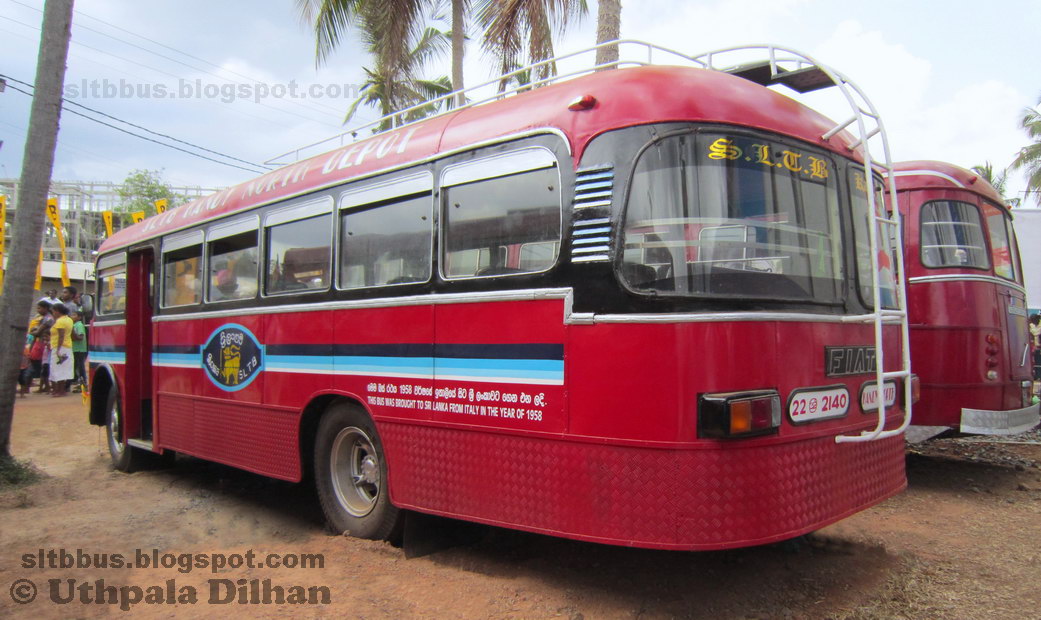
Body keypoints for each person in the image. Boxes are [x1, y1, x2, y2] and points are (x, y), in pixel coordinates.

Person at [49, 303, 75, 397]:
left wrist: (58, 350)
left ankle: (60, 390)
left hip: (60, 346)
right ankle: (61, 390)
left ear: (57, 311)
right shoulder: (69, 319)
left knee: (57, 368)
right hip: (67, 346)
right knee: (63, 368)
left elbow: (61, 336)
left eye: (53, 311)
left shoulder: (60, 321)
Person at [29, 300, 54, 393]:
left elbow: (37, 332)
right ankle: (43, 386)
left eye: (39, 308)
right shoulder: (44, 318)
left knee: (43, 366)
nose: (37, 310)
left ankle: (46, 386)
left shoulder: (48, 319)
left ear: (45, 308)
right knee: (42, 366)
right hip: (42, 343)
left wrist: (32, 331)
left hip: (43, 344)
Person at [70, 310, 88, 391]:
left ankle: (83, 384)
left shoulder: (79, 325)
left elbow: (81, 337)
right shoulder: (74, 325)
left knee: (80, 367)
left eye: (74, 315)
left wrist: (73, 335)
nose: (72, 316)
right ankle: (79, 383)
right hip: (75, 349)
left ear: (79, 317)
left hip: (80, 349)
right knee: (77, 367)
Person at [1030, 314, 1041, 397]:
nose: (1032, 321)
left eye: (1033, 320)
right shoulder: (1031, 326)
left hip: (1039, 347)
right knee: (1036, 362)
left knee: (1039, 362)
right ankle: (1036, 376)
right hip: (1035, 347)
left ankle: (1039, 376)